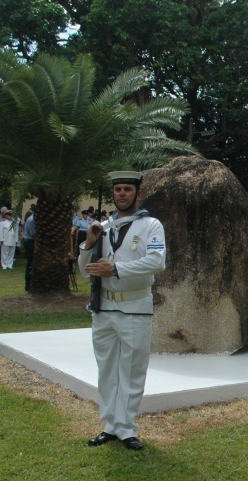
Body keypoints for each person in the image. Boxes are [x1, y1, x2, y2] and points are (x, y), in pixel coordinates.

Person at [79, 171, 166, 451]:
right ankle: (109, 425)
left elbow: (156, 262)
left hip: (134, 306)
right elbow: (85, 270)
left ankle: (127, 427)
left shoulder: (151, 225)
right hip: (104, 307)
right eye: (117, 190)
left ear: (138, 194)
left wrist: (115, 269)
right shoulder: (103, 227)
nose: (122, 194)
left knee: (131, 369)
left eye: (127, 189)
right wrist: (89, 244)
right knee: (106, 370)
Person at [22, 208, 36, 291]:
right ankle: (28, 285)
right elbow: (34, 236)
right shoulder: (31, 220)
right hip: (30, 242)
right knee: (30, 263)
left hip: (31, 241)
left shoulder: (33, 219)